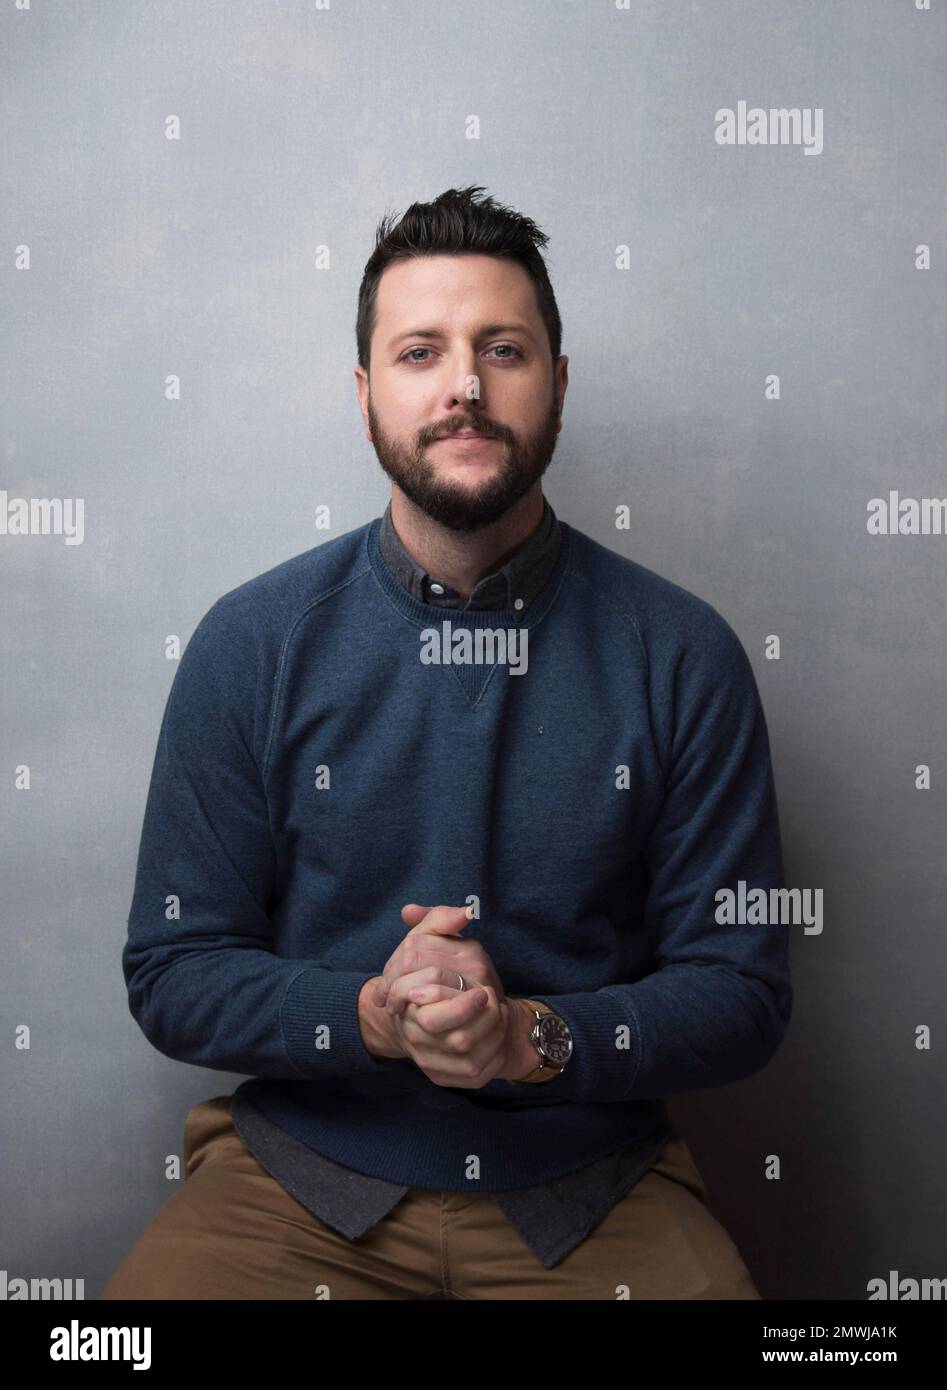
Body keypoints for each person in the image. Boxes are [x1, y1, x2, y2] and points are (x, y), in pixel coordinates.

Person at [100, 185, 791, 1300]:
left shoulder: (681, 653)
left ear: (557, 385)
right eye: (421, 351)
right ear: (366, 393)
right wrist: (366, 1017)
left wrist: (534, 1038)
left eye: (502, 349)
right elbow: (173, 968)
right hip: (299, 1182)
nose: (464, 386)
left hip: (585, 1186)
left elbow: (740, 991)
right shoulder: (251, 642)